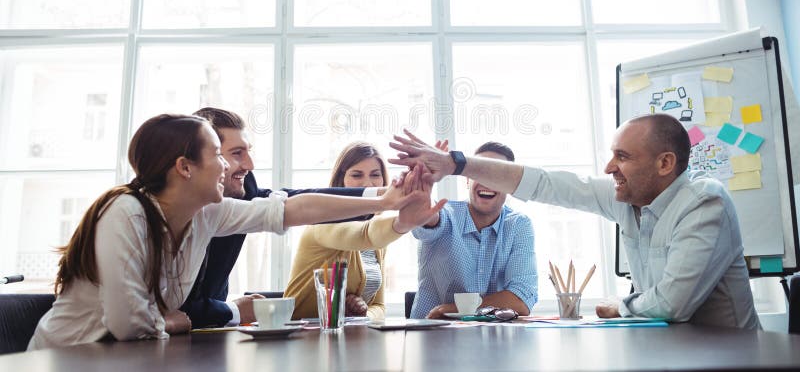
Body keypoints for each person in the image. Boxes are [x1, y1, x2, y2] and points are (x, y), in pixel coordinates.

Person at [29, 113, 431, 349]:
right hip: (70, 358)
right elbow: (128, 325)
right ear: (185, 167)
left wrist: (382, 201)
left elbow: (293, 208)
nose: (230, 167)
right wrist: (172, 320)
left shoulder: (208, 213)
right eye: (219, 156)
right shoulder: (126, 212)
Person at [390, 114, 761, 330]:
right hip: (672, 352)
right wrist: (456, 163)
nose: (609, 167)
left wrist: (620, 306)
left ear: (664, 164)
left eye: (623, 156)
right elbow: (548, 184)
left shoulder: (705, 202)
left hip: (729, 359)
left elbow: (672, 305)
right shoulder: (624, 197)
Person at [181, 108, 387, 328]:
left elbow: (297, 202)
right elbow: (165, 311)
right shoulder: (160, 215)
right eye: (237, 153)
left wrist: (383, 197)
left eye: (248, 151)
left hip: (211, 330)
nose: (250, 165)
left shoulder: (242, 190)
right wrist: (234, 309)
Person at [284, 142, 447, 320]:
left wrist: (363, 313)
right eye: (356, 175)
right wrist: (402, 223)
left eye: (375, 175)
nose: (367, 183)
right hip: (302, 337)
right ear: (341, 180)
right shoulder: (321, 224)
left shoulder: (379, 243)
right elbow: (365, 234)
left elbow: (379, 307)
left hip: (347, 338)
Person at [410, 141, 537, 319]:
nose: (487, 182)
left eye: (498, 176)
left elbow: (521, 299)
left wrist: (450, 309)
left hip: (494, 340)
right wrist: (421, 203)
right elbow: (428, 221)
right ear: (467, 180)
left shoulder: (518, 225)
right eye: (480, 173)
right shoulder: (446, 215)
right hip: (432, 335)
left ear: (510, 187)